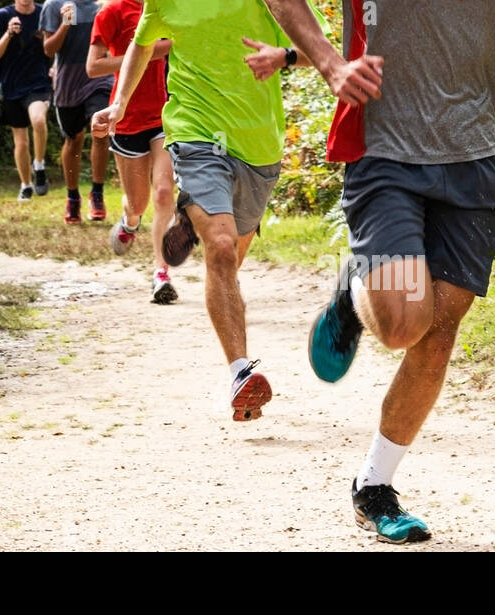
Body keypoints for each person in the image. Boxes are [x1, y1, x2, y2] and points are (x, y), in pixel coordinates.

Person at [265, 0, 495, 544]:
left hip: (474, 157)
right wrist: (328, 63)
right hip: (385, 150)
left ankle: (374, 487)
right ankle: (356, 290)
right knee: (403, 324)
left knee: (436, 337)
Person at [91, 0, 323, 420]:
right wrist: (121, 103)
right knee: (220, 247)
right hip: (194, 132)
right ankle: (240, 372)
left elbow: (320, 49)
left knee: (230, 259)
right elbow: (141, 46)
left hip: (259, 146)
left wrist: (285, 57)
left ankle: (192, 216)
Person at [88, 0, 177, 303]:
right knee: (138, 202)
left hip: (164, 115)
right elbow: (93, 66)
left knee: (164, 193)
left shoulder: (165, 8)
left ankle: (161, 273)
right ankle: (130, 221)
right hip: (124, 118)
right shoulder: (111, 12)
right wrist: (140, 55)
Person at [42, 0, 114, 223]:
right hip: (69, 83)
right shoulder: (53, 5)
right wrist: (65, 24)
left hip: (100, 79)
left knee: (100, 131)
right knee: (73, 139)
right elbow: (49, 49)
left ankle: (98, 194)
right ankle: (73, 197)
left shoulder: (104, 4)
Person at [0, 0, 54, 202]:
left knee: (38, 120)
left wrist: (55, 65)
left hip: (38, 83)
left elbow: (58, 45)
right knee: (21, 142)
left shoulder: (45, 13)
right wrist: (9, 33)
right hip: (12, 86)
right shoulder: (2, 16)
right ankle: (26, 185)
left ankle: (39, 165)